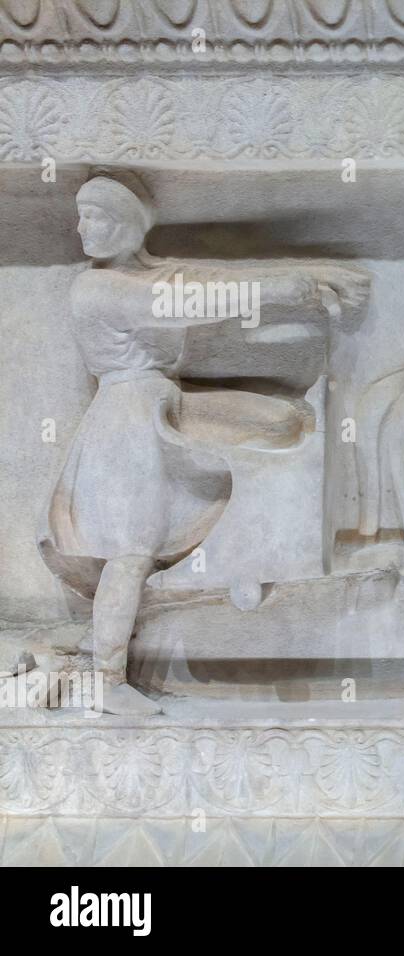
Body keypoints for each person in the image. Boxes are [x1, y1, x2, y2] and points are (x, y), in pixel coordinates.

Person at [39, 175, 367, 715]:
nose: (81, 229)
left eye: (94, 217)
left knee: (278, 424)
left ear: (126, 226)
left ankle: (124, 633)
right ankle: (107, 676)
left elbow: (214, 280)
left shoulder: (151, 274)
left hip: (155, 410)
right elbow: (186, 303)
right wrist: (287, 292)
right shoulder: (95, 288)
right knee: (130, 552)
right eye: (80, 217)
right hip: (125, 422)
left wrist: (316, 275)